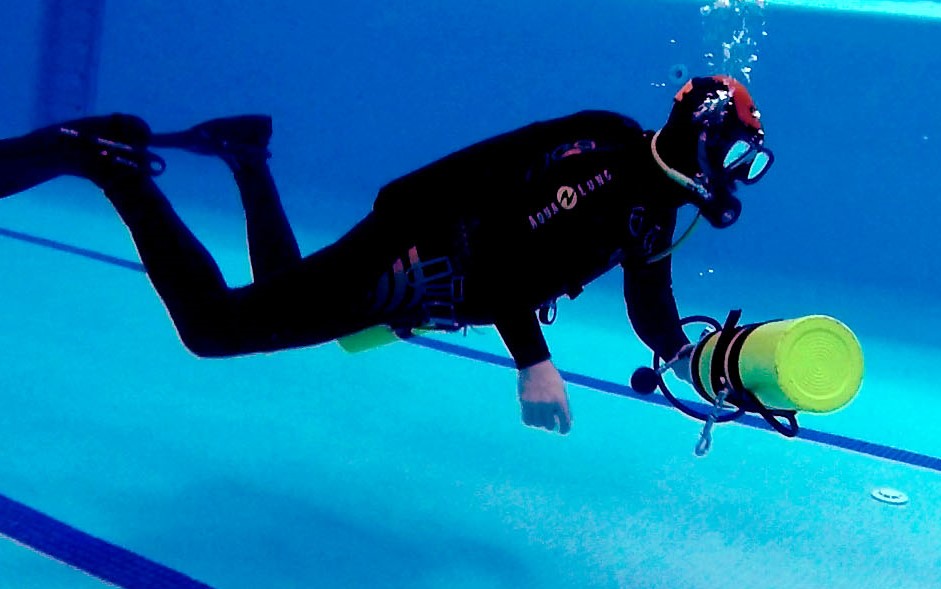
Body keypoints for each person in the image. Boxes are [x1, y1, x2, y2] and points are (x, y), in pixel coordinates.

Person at [0, 75, 772, 435]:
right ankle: (112, 165)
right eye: (738, 155)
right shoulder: (604, 160)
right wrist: (533, 362)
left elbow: (648, 296)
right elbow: (503, 251)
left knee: (283, 294)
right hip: (415, 248)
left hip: (433, 283)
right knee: (215, 327)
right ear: (703, 137)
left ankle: (246, 154)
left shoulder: (656, 204)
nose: (737, 175)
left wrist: (690, 358)